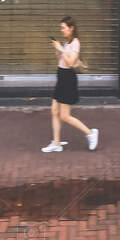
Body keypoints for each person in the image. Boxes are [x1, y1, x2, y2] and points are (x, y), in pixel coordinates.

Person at [44, 16, 97, 153]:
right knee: (54, 111)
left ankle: (90, 133)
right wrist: (58, 50)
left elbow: (71, 63)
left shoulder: (75, 43)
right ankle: (56, 143)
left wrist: (61, 49)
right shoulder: (67, 43)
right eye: (61, 28)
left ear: (71, 28)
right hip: (61, 76)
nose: (61, 30)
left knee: (64, 116)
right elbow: (61, 61)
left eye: (63, 28)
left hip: (68, 79)